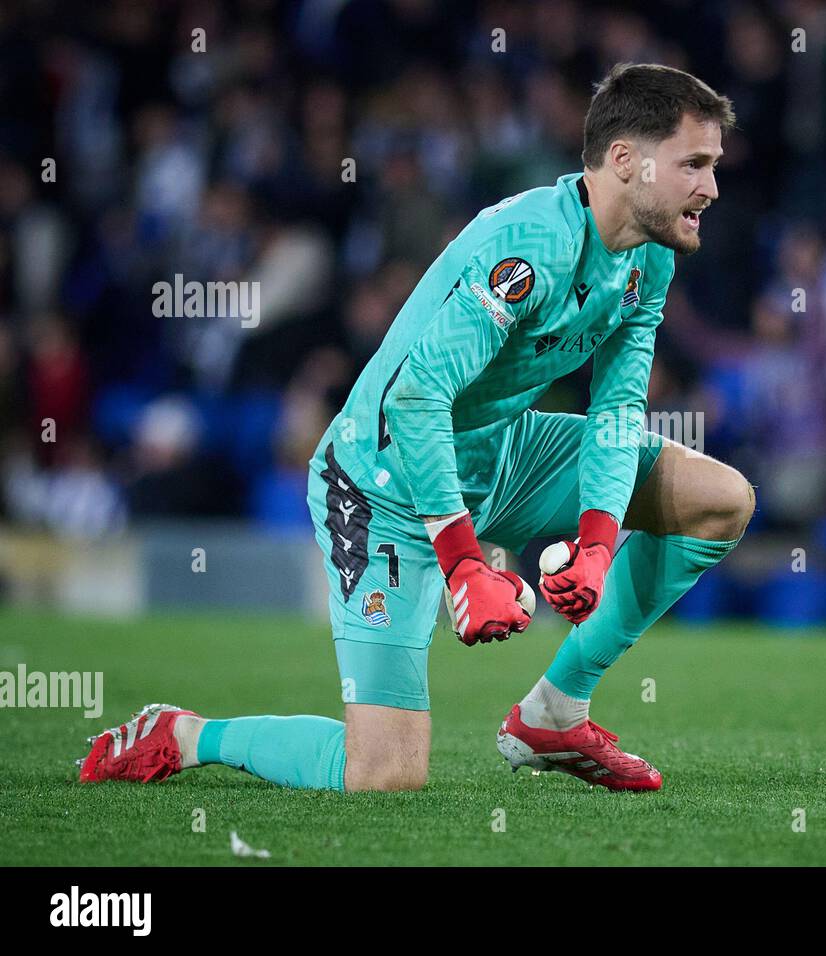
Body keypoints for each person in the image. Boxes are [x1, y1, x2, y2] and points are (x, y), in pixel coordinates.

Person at [78, 64, 754, 793]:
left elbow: (617, 410)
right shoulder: (529, 246)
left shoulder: (648, 256)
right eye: (695, 163)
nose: (710, 188)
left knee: (720, 499)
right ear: (626, 159)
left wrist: (597, 544)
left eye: (711, 166)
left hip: (502, 450)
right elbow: (418, 400)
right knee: (385, 775)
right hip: (383, 486)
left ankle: (555, 711)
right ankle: (185, 734)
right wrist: (464, 562)